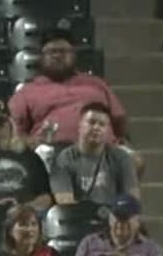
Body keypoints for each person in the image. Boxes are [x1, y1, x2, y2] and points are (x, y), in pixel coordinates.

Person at [8, 28, 141, 174]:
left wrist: (122, 142)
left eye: (63, 51)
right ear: (41, 58)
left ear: (74, 55)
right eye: (51, 52)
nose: (57, 56)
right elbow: (14, 132)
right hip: (53, 154)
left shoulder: (97, 84)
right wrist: (30, 142)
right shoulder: (27, 91)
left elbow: (119, 118)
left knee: (135, 161)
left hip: (101, 148)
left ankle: (122, 197)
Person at [48, 103, 140, 206]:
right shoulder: (64, 159)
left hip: (112, 218)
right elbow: (65, 203)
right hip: (76, 218)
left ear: (107, 130)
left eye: (102, 124)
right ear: (80, 125)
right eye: (91, 122)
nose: (96, 127)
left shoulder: (121, 158)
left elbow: (132, 199)